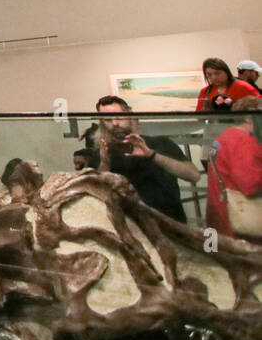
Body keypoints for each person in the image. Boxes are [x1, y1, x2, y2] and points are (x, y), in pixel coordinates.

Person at [90, 95, 197, 221]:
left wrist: (152, 155)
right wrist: (105, 163)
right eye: (107, 120)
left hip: (170, 225)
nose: (115, 123)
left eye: (119, 116)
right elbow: (94, 195)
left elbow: (193, 175)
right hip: (128, 227)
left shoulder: (160, 143)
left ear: (130, 113)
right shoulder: (102, 153)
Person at [205, 98, 262, 240]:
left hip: (221, 216)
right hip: (241, 222)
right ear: (249, 118)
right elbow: (251, 184)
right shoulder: (243, 140)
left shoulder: (225, 136)